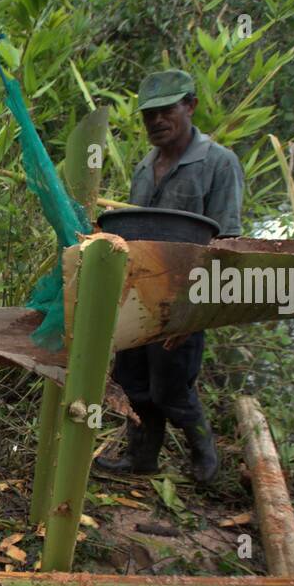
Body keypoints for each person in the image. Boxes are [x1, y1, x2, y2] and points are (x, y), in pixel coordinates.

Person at [95, 69, 244, 484]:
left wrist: (193, 312)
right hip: (141, 296)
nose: (157, 121)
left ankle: (204, 453)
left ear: (190, 106)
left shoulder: (218, 163)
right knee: (134, 382)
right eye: (148, 115)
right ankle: (142, 458)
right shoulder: (146, 167)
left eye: (166, 111)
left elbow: (227, 243)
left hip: (185, 297)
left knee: (172, 388)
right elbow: (138, 233)